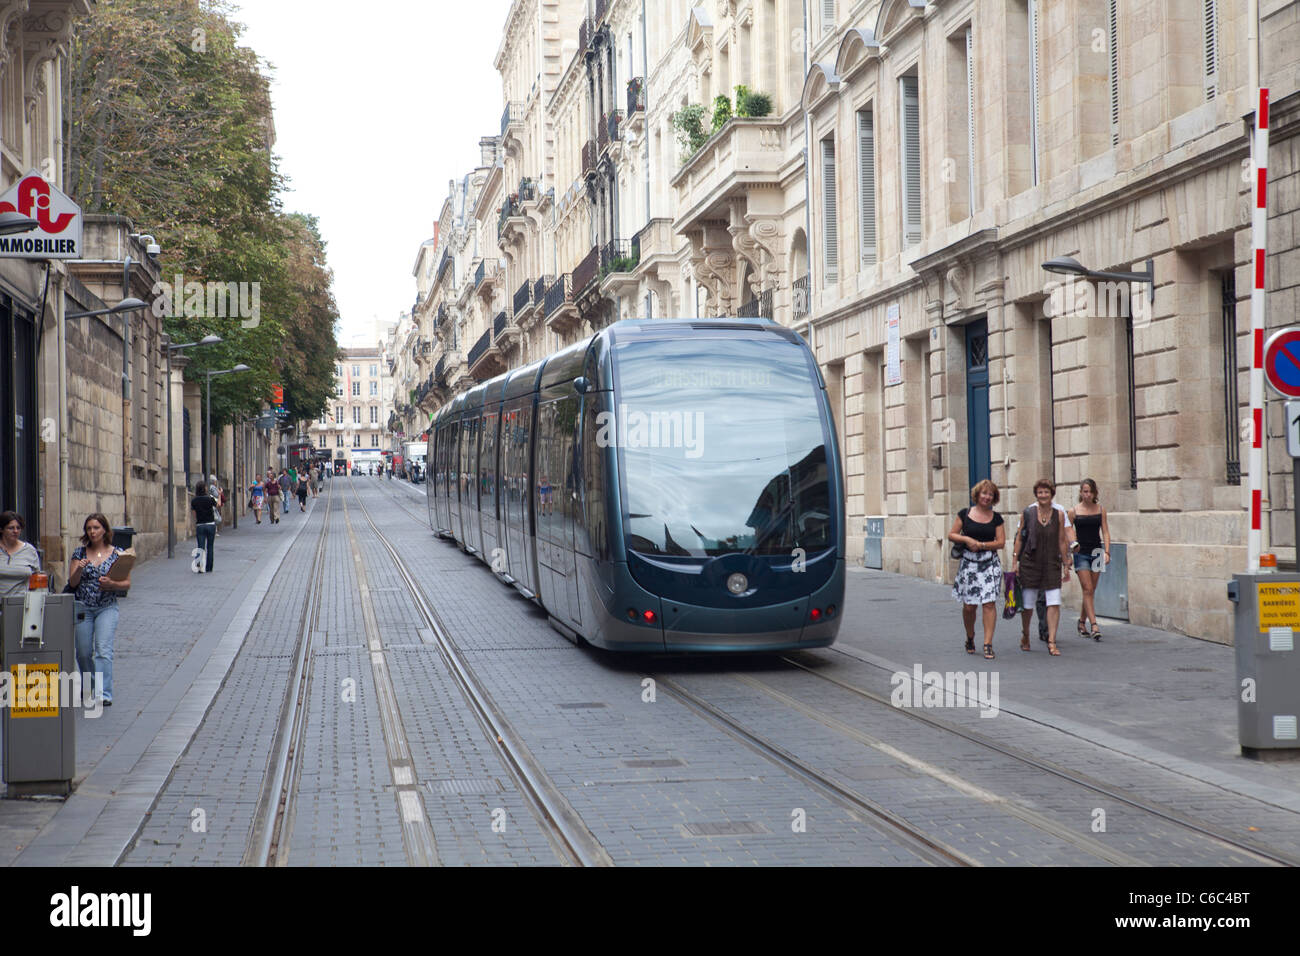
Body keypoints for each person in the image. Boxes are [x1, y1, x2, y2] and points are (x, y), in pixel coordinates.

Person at [69, 513, 130, 706]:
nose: (92, 532)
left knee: (103, 650)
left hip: (106, 607)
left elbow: (127, 584)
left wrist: (112, 583)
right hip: (83, 608)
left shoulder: (118, 554)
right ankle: (90, 687)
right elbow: (72, 582)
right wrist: (79, 568)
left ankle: (104, 693)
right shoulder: (79, 554)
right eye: (89, 528)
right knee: (84, 652)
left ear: (105, 529)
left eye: (96, 527)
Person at [1013, 478, 1073, 656]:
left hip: (1051, 563)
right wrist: (1015, 561)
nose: (1043, 495)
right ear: (1036, 494)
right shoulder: (1028, 513)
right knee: (1029, 604)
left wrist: (1065, 563)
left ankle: (1052, 641)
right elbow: (1019, 538)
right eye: (1040, 492)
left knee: (1054, 602)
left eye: (1046, 492)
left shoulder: (1059, 514)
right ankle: (1025, 634)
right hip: (1030, 563)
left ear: (1051, 494)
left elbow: (1062, 540)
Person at [948, 479, 1006, 659]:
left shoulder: (996, 518)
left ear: (994, 498)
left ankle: (988, 643)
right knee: (970, 607)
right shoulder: (965, 514)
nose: (987, 497)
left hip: (989, 564)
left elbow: (1001, 542)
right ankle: (970, 636)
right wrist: (967, 540)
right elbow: (951, 534)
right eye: (984, 493)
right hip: (969, 565)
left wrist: (981, 544)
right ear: (977, 495)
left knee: (989, 604)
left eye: (990, 494)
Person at [1069, 478, 1111, 640]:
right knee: (1087, 588)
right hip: (1081, 553)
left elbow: (1105, 531)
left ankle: (1081, 622)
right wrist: (1068, 554)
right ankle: (1094, 625)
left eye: (1090, 492)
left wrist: (1107, 551)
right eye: (1085, 491)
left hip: (1097, 552)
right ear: (1081, 493)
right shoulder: (1073, 511)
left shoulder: (1101, 510)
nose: (1087, 494)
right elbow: (1067, 533)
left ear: (1095, 493)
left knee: (1091, 590)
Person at [0, 511, 41, 603]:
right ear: (1, 529)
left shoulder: (29, 550)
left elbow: (36, 580)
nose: (15, 531)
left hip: (21, 605)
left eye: (18, 528)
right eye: (11, 528)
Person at [191, 481, 219, 572]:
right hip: (210, 524)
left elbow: (194, 514)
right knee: (210, 546)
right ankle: (209, 567)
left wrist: (198, 520)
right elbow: (217, 505)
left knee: (200, 546)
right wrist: (220, 494)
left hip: (200, 525)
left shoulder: (194, 500)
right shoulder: (209, 498)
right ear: (205, 489)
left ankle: (199, 566)